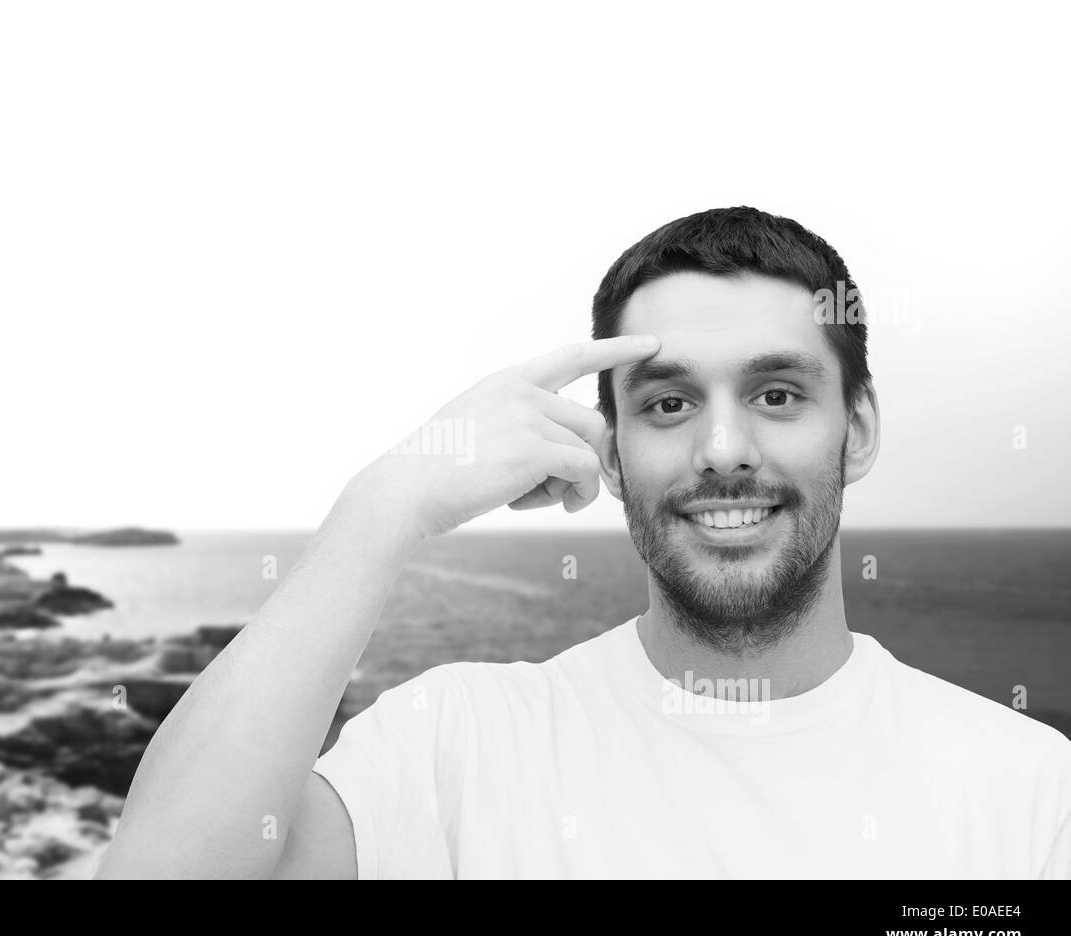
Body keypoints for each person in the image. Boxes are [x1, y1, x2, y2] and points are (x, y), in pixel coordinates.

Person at [96, 206, 1071, 879]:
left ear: (855, 430)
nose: (722, 450)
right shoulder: (458, 744)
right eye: (668, 402)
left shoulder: (1030, 793)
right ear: (610, 451)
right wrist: (383, 506)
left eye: (776, 395)